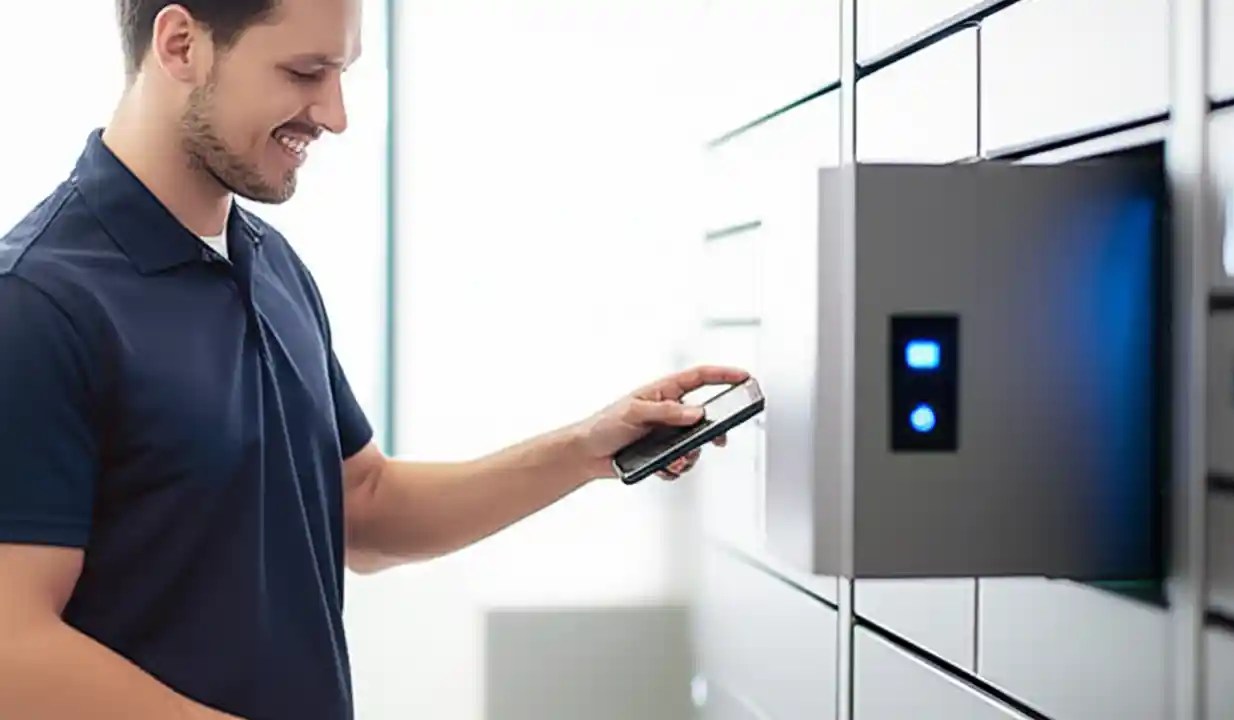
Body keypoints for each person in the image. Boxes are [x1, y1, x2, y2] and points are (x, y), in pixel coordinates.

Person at [0, 1, 748, 718]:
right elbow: (13, 653)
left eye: (342, 74)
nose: (335, 115)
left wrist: (584, 450)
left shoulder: (271, 264)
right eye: (303, 73)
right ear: (180, 46)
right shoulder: (35, 303)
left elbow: (364, 506)